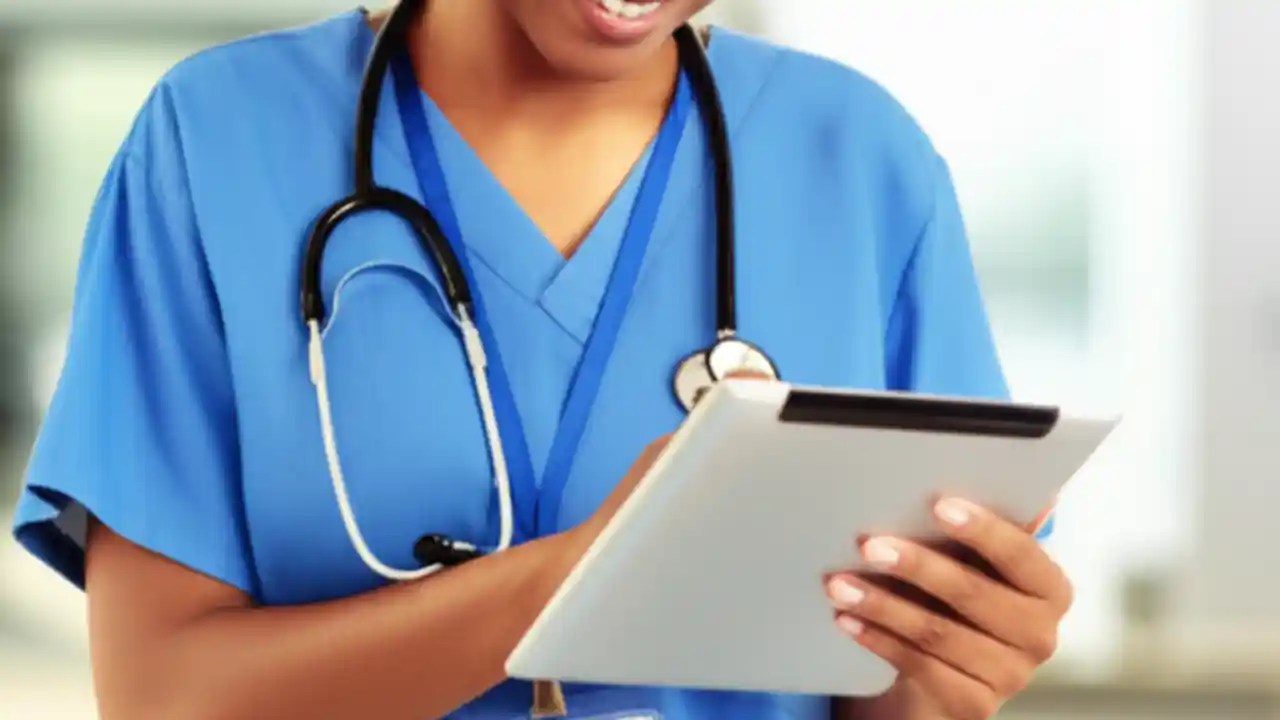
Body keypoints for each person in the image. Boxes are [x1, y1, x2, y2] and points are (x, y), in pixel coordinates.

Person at [11, 1, 1072, 718]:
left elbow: (891, 681)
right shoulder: (219, 138)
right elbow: (161, 696)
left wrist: (943, 676)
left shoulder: (855, 155)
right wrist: (582, 579)